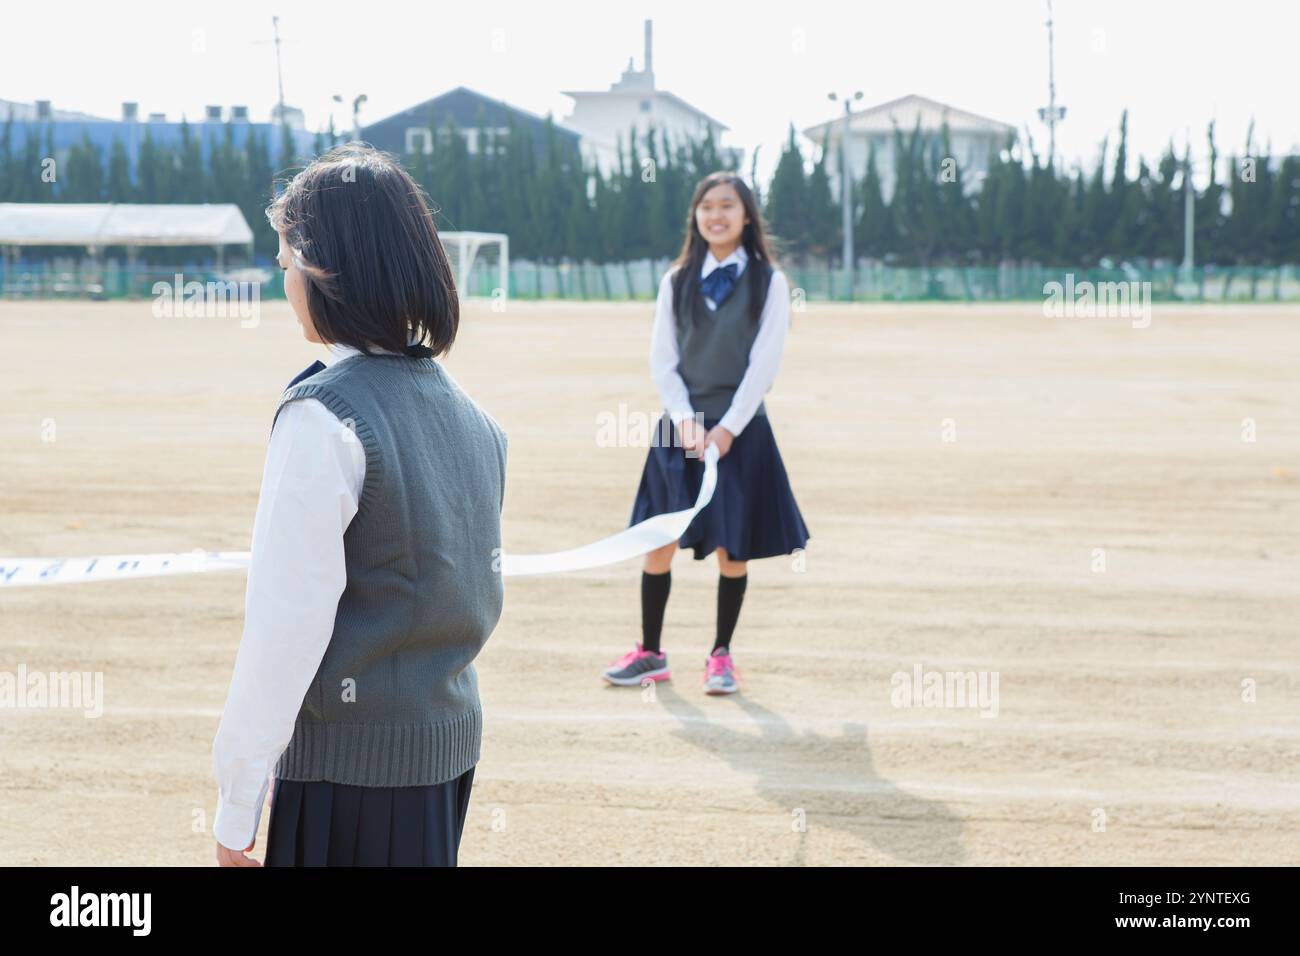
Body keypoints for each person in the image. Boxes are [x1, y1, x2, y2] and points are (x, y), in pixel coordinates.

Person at [212, 143, 507, 866]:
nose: (283, 281)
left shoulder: (324, 414)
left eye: (286, 262)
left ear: (326, 268)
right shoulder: (475, 418)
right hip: (444, 755)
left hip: (349, 773)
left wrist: (235, 802)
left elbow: (285, 626)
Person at [603, 172, 809, 695]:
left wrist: (728, 429)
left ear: (746, 216)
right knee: (659, 541)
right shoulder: (677, 280)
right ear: (695, 216)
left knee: (732, 550)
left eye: (728, 206)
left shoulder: (770, 282)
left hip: (741, 430)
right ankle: (650, 653)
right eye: (706, 206)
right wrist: (686, 421)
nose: (716, 215)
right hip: (681, 430)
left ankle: (721, 656)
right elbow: (663, 359)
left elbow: (764, 366)